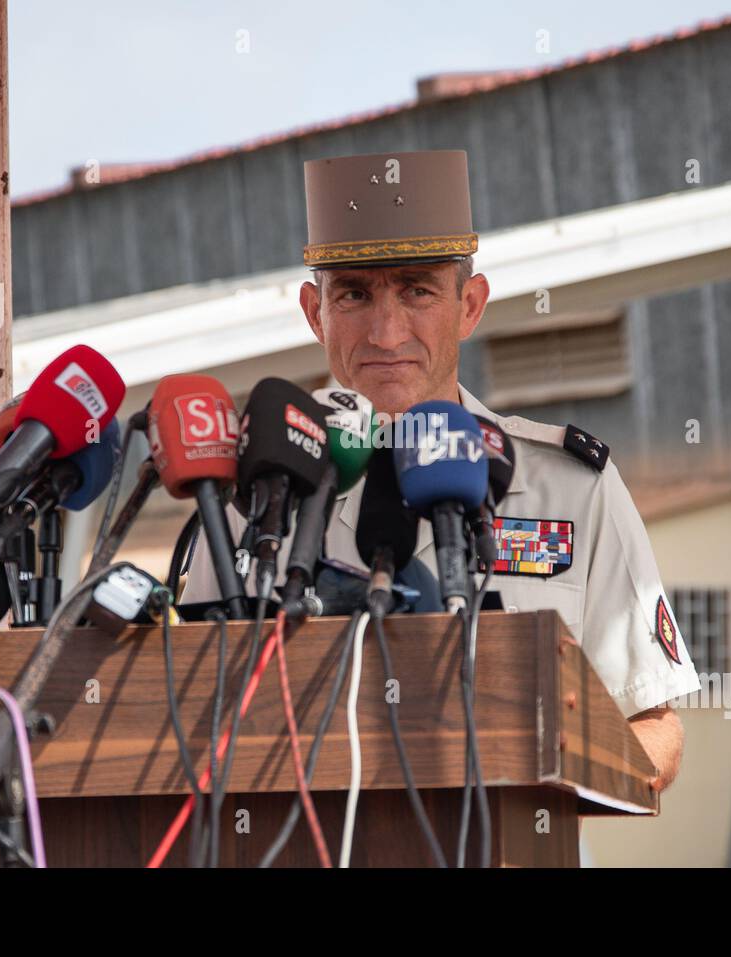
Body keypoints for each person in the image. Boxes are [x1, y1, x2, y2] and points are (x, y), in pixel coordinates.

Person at [182, 149, 700, 791]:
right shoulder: (254, 494)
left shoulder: (569, 486)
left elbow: (655, 727)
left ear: (470, 305)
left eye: (417, 290)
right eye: (354, 294)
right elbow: (186, 712)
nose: (386, 331)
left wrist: (521, 759)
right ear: (315, 312)